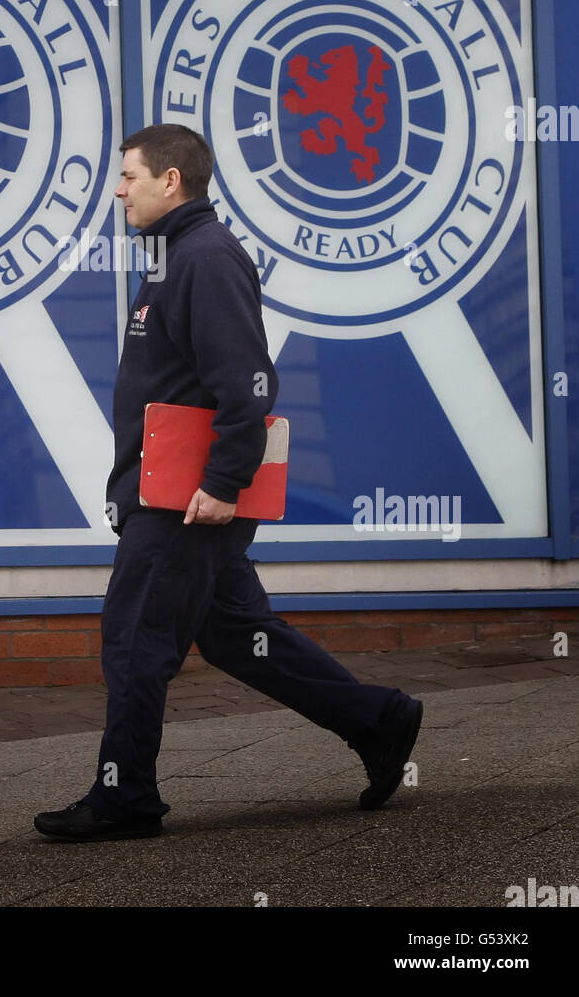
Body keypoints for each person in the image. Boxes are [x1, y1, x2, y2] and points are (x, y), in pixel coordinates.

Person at [34, 124, 423, 842]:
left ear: (170, 180)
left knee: (133, 641)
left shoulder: (204, 259)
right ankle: (379, 719)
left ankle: (125, 799)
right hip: (176, 495)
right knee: (241, 638)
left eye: (128, 176)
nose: (118, 191)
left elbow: (246, 385)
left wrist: (219, 482)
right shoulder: (178, 256)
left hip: (184, 503)